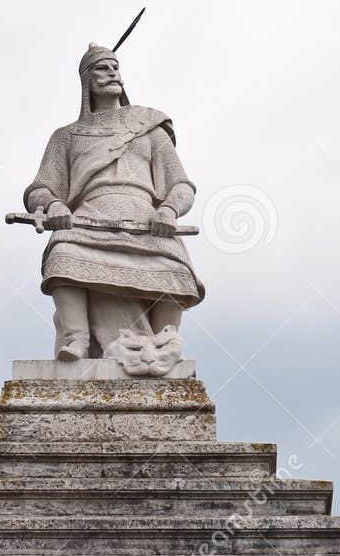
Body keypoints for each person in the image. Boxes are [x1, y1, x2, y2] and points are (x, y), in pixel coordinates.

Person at [23, 44, 205, 360]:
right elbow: (39, 189)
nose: (111, 72)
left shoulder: (150, 129)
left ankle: (165, 343)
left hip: (147, 223)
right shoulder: (66, 136)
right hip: (87, 220)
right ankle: (76, 340)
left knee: (177, 267)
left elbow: (181, 185)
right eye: (101, 67)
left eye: (115, 66)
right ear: (86, 80)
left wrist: (168, 209)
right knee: (61, 252)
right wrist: (54, 206)